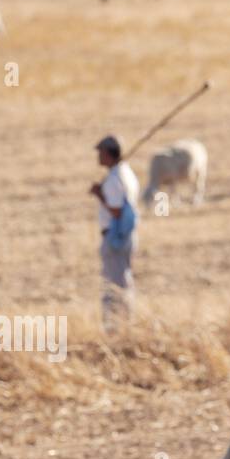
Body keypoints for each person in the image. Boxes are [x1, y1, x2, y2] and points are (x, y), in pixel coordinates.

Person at [89, 135, 140, 328]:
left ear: (108, 153)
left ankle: (115, 326)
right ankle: (125, 323)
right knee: (123, 281)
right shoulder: (126, 173)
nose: (98, 157)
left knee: (113, 285)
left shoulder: (114, 178)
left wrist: (99, 195)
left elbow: (116, 210)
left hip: (114, 235)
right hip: (126, 235)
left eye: (100, 152)